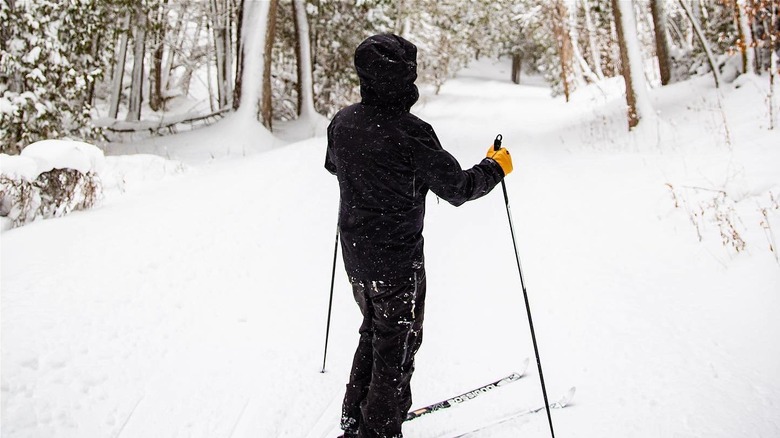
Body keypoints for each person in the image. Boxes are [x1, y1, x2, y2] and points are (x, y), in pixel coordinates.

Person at [324, 33, 513, 438]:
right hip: (396, 262)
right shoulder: (411, 131)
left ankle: (355, 421)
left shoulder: (342, 122)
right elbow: (459, 189)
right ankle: (381, 429)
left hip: (357, 257)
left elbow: (333, 167)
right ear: (405, 78)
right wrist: (494, 167)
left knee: (375, 331)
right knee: (397, 344)